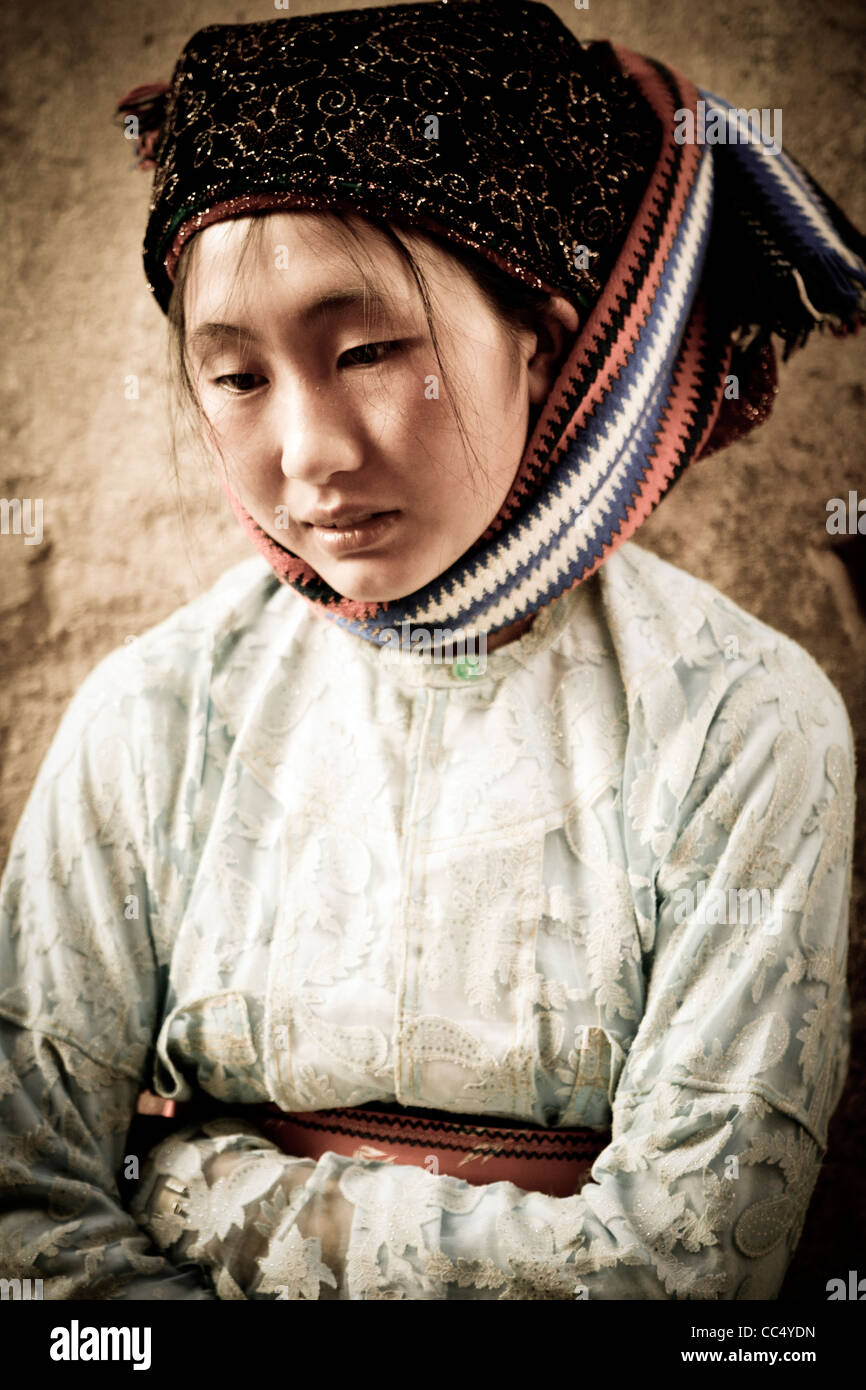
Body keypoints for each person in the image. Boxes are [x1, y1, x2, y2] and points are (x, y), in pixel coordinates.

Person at [0, 0, 862, 1301]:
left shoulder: (743, 719)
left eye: (366, 350)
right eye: (234, 376)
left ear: (544, 339)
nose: (309, 455)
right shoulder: (152, 717)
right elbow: (26, 1218)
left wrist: (195, 1179)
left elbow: (683, 1269)